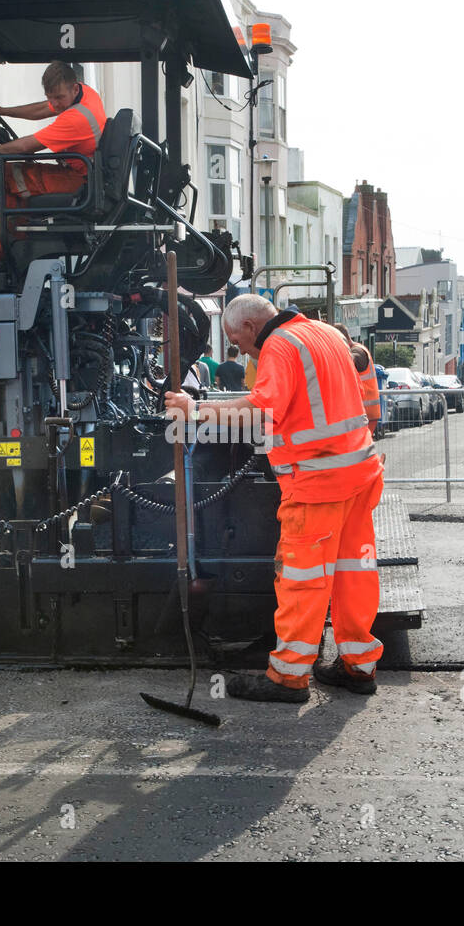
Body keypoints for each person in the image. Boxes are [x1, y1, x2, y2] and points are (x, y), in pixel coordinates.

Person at [164, 295, 386, 703]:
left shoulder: (280, 345)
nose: (241, 350)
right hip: (358, 474)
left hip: (317, 482)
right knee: (353, 572)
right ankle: (359, 666)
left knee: (302, 579)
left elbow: (262, 412)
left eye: (237, 340)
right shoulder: (325, 334)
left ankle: (288, 677)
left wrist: (195, 410)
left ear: (251, 327)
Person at [0, 61, 107, 259]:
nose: (55, 104)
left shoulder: (76, 118)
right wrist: (3, 111)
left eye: (59, 97)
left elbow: (28, 146)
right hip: (85, 174)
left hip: (80, 181)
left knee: (2, 176)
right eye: (50, 97)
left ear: (74, 88)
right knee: (12, 176)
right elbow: (44, 109)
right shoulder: (85, 94)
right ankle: (14, 248)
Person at [333, 324, 383, 435]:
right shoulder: (358, 349)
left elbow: (351, 359)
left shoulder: (358, 351)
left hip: (364, 413)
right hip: (363, 413)